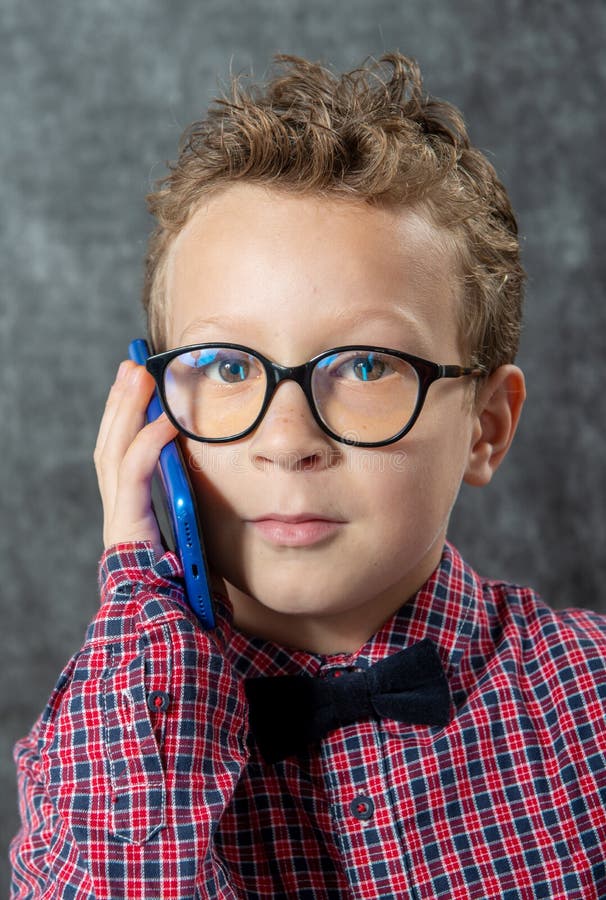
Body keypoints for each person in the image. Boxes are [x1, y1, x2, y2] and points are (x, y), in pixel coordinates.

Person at [10, 52, 606, 900]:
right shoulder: (100, 752)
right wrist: (140, 594)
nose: (287, 441)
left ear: (486, 427)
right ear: (148, 410)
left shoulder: (592, 694)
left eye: (365, 366)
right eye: (227, 367)